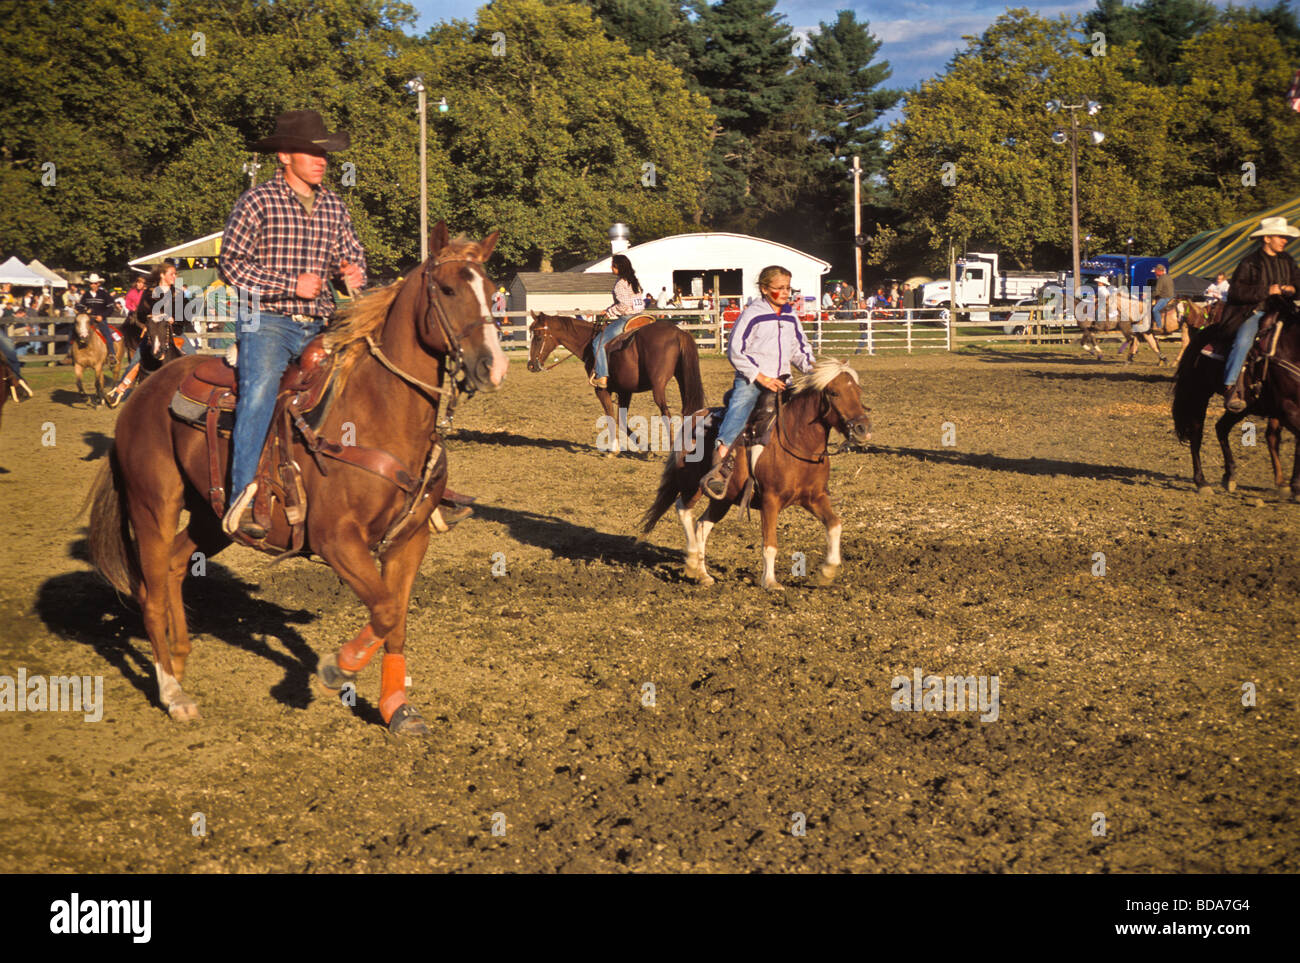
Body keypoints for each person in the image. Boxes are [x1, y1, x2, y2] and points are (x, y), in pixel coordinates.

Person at [214, 109, 367, 538]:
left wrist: (352, 273)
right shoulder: (257, 201)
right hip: (267, 319)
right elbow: (231, 265)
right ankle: (242, 496)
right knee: (260, 391)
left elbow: (351, 255)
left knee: (365, 383)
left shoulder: (335, 206)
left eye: (325, 154)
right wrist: (289, 284)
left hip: (321, 321)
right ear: (284, 155)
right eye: (311, 152)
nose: (321, 160)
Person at [700, 265, 816, 499]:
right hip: (752, 380)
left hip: (784, 380)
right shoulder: (752, 314)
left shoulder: (791, 315)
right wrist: (761, 377)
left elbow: (799, 349)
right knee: (739, 410)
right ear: (764, 289)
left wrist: (815, 370)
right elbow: (735, 350)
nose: (785, 292)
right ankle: (719, 467)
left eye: (788, 287)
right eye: (779, 288)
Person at [1219, 216, 1300, 411]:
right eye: (1280, 237)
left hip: (1285, 311)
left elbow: (1299, 282)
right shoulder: (1250, 262)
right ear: (1266, 238)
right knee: (1243, 342)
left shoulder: (1287, 260)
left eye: (1285, 237)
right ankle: (1231, 387)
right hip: (1255, 312)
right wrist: (1267, 291)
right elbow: (1236, 292)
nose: (1284, 241)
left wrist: (1292, 289)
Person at [106, 262, 196, 406]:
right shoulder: (150, 293)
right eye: (171, 274)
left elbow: (188, 316)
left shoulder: (178, 293)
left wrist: (174, 320)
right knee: (135, 361)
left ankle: (196, 395)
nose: (175, 276)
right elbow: (140, 313)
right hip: (153, 335)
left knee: (194, 359)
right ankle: (119, 393)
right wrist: (152, 317)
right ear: (162, 275)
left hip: (175, 334)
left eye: (175, 274)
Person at [590, 253, 644, 389]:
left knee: (597, 343)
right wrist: (609, 309)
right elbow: (637, 302)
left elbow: (624, 305)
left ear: (619, 267)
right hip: (641, 316)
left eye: (613, 266)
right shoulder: (634, 281)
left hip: (627, 318)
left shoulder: (620, 284)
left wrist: (609, 312)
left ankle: (602, 376)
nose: (611, 268)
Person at [78, 274, 118, 349]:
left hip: (100, 319)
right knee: (73, 331)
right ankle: (70, 354)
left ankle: (112, 354)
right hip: (87, 319)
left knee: (107, 335)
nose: (93, 285)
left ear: (99, 283)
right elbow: (80, 306)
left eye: (95, 283)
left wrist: (102, 316)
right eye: (91, 283)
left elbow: (110, 308)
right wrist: (84, 311)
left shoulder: (104, 294)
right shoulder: (86, 295)